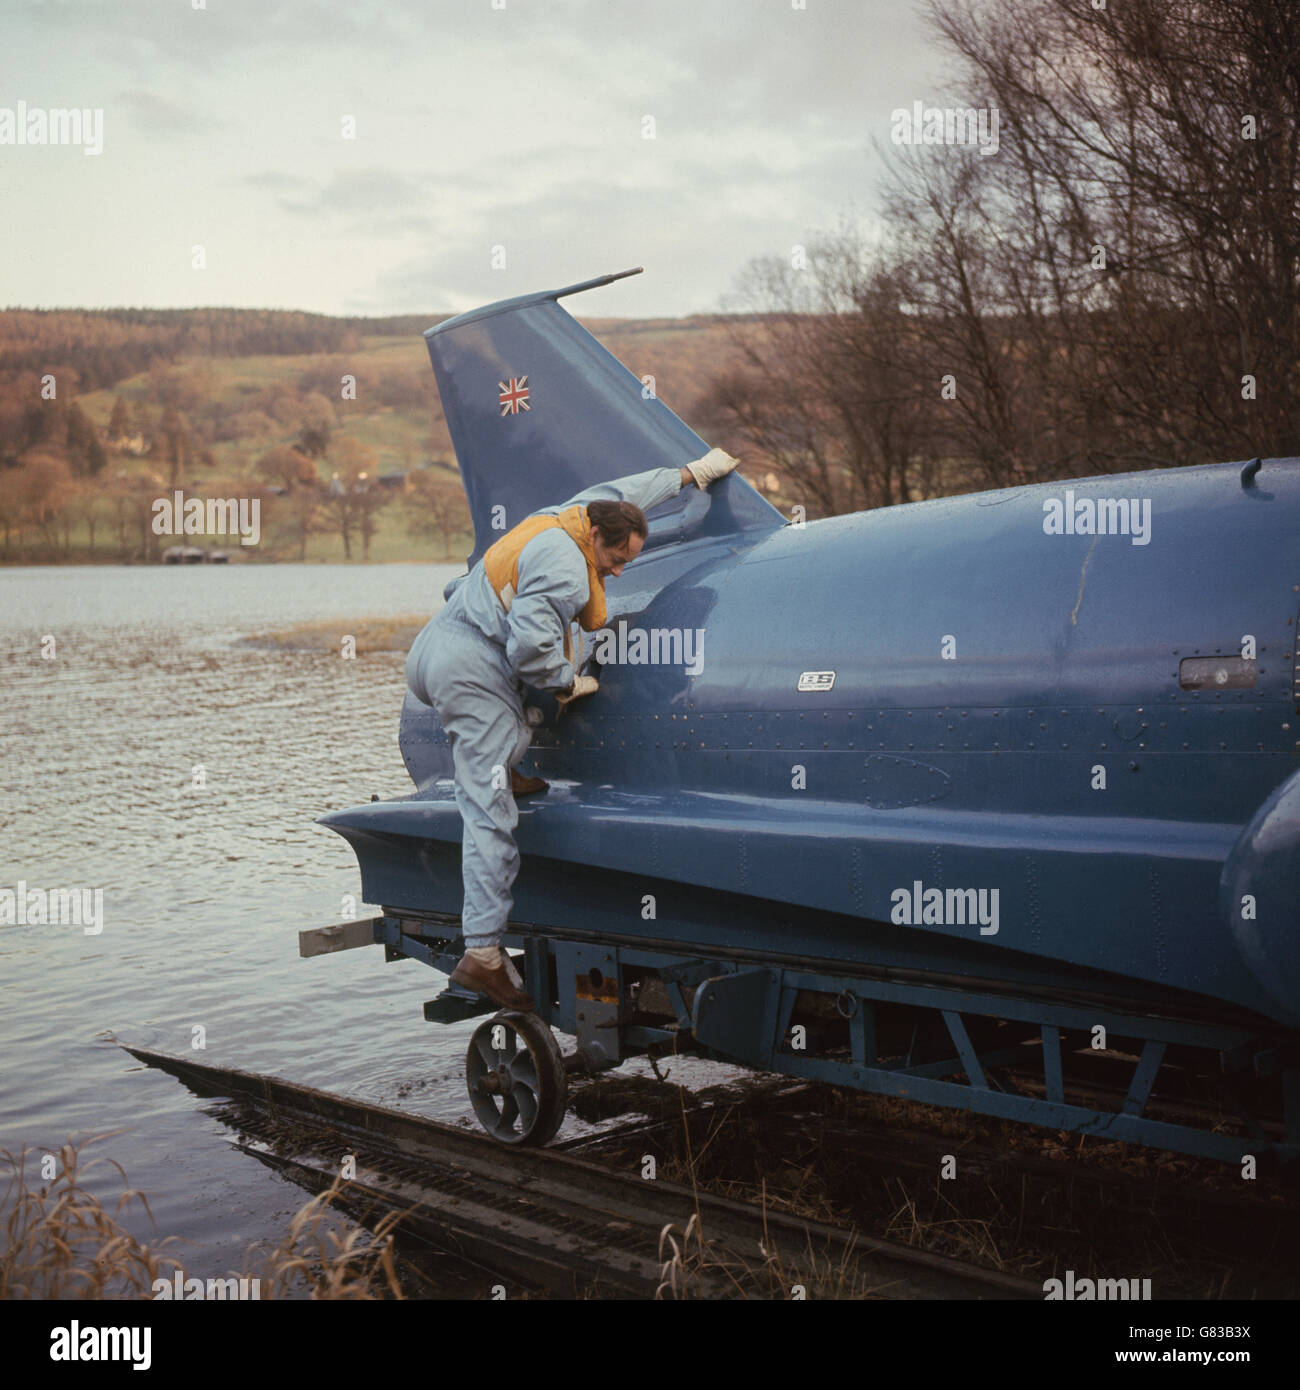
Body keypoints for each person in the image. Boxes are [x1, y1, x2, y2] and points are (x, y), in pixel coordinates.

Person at [405, 448, 741, 1011]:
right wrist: (569, 682)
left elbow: (626, 483)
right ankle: (483, 954)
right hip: (468, 667)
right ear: (597, 541)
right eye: (618, 558)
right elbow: (530, 649)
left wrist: (688, 475)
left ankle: (506, 766)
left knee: (508, 735)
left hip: (439, 645)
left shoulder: (570, 516)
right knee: (489, 816)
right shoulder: (565, 565)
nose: (618, 569)